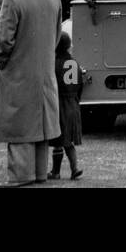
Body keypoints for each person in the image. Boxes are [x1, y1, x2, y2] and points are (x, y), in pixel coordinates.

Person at [0, 0, 62, 187]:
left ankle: (21, 175)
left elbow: (3, 41)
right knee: (41, 125)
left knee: (19, 125)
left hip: (18, 72)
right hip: (45, 71)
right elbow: (57, 35)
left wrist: (1, 62)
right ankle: (40, 172)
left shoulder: (12, 1)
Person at [48, 31, 84, 181]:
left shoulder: (54, 64)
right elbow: (81, 85)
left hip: (60, 104)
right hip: (73, 104)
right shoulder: (75, 63)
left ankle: (58, 172)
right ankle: (73, 169)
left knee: (59, 140)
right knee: (67, 140)